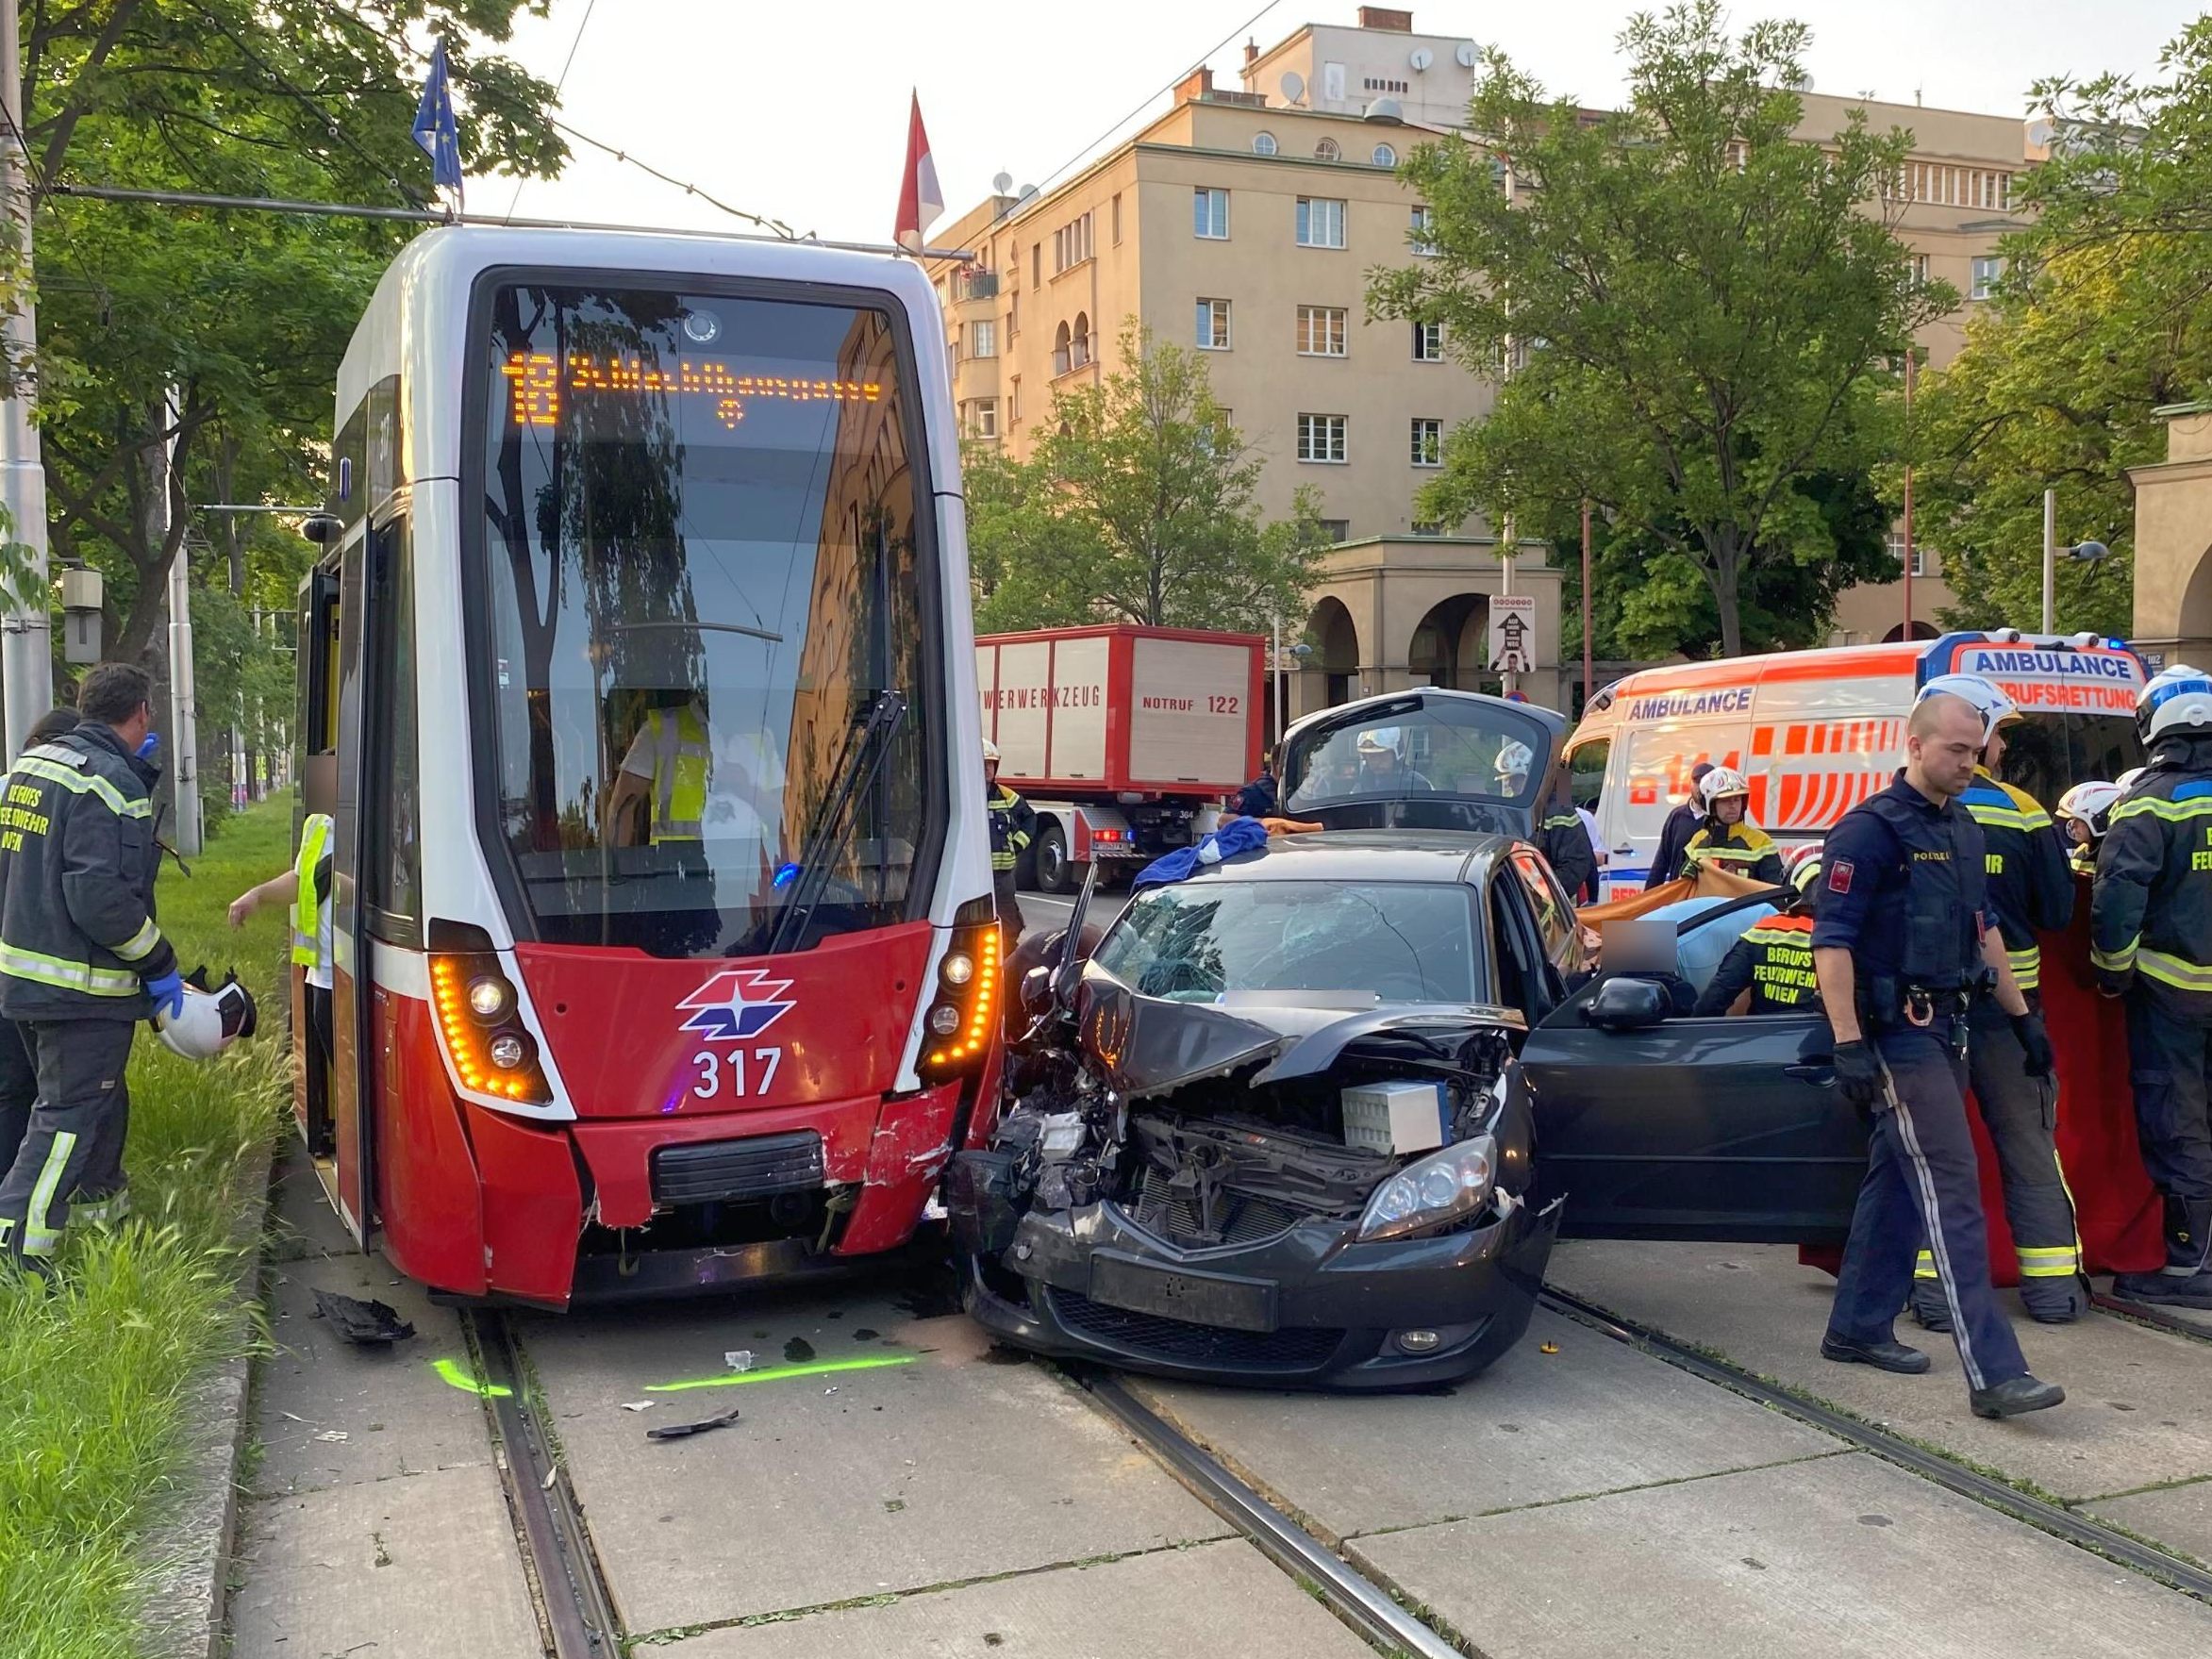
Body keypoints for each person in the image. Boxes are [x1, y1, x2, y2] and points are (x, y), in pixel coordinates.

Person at [1811, 687, 2063, 1418]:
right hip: (1895, 1034)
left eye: (1974, 747)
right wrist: (1849, 1043)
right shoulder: (1867, 831)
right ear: (1914, 745)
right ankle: (1994, 1371)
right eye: (1954, 748)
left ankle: (1856, 1328)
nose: (1967, 760)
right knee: (1951, 1180)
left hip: (1948, 1026)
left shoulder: (1964, 828)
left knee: (1895, 1180)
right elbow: (1830, 943)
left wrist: (2023, 1022)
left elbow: (1985, 931)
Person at [1898, 675, 2086, 1327]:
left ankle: (1930, 1295)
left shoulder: (1890, 813)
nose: (1995, 746)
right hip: (2012, 1010)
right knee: (2028, 1144)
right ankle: (2054, 1293)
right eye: (1994, 733)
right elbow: (2057, 911)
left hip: (1924, 1014)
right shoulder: (2026, 812)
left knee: (1937, 1155)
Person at [0, 664, 184, 1276]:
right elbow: (101, 899)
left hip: (23, 983)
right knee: (64, 1121)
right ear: (141, 714)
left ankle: (38, 1230)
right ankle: (22, 1252)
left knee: (45, 1112)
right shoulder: (112, 781)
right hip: (81, 992)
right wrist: (159, 960)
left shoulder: (29, 769)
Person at [2091, 664, 2212, 1309]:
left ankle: (2192, 1261)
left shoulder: (2148, 800)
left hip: (2173, 995)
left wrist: (2111, 972)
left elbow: (2116, 898)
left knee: (2178, 1117)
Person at [0, 706, 82, 1179]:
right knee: (37, 1088)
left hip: (12, 961)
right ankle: (22, 1190)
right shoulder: (55, 799)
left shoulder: (12, 791)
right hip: (28, 965)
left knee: (13, 1084)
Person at [228, 755, 338, 1105]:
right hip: (325, 977)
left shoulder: (380, 818)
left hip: (361, 974)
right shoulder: (318, 824)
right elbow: (301, 880)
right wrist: (257, 895)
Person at [1692, 853, 1823, 1016]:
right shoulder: (1839, 938)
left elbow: (1714, 999)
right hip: (1818, 1037)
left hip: (1759, 1037)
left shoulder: (1761, 931)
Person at [604, 693, 710, 847]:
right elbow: (621, 808)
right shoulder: (664, 730)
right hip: (671, 864)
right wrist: (618, 866)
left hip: (742, 865)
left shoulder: (753, 731)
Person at [1496, 740, 1595, 902]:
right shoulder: (1510, 812)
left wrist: (1543, 897)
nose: (1510, 785)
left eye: (1515, 779)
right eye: (1507, 780)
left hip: (1556, 909)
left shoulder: (1559, 811)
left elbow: (1576, 863)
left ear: (1533, 778)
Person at [1678, 767, 1786, 887]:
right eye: (1725, 800)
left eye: (1737, 799)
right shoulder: (1697, 842)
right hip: (1707, 906)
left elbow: (1775, 894)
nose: (1733, 806)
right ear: (1710, 805)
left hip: (1748, 906)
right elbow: (1685, 892)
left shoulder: (1761, 843)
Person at [984, 738, 1035, 928]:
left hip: (1003, 878)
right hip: (976, 875)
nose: (987, 769)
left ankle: (1007, 957)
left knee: (1009, 926)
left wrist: (1017, 844)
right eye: (983, 764)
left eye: (990, 764)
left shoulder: (1007, 796)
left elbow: (1030, 819)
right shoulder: (964, 795)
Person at [1647, 761, 1716, 890]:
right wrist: (1646, 901)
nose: (1701, 788)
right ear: (1690, 783)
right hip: (1679, 896)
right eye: (1697, 782)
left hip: (1707, 898)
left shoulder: (1719, 819)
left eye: (1707, 783)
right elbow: (1661, 863)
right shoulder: (1677, 816)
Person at [2054, 780, 2122, 877]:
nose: (2072, 825)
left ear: (2099, 819)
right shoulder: (2080, 852)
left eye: (2079, 819)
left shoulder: (2118, 857)